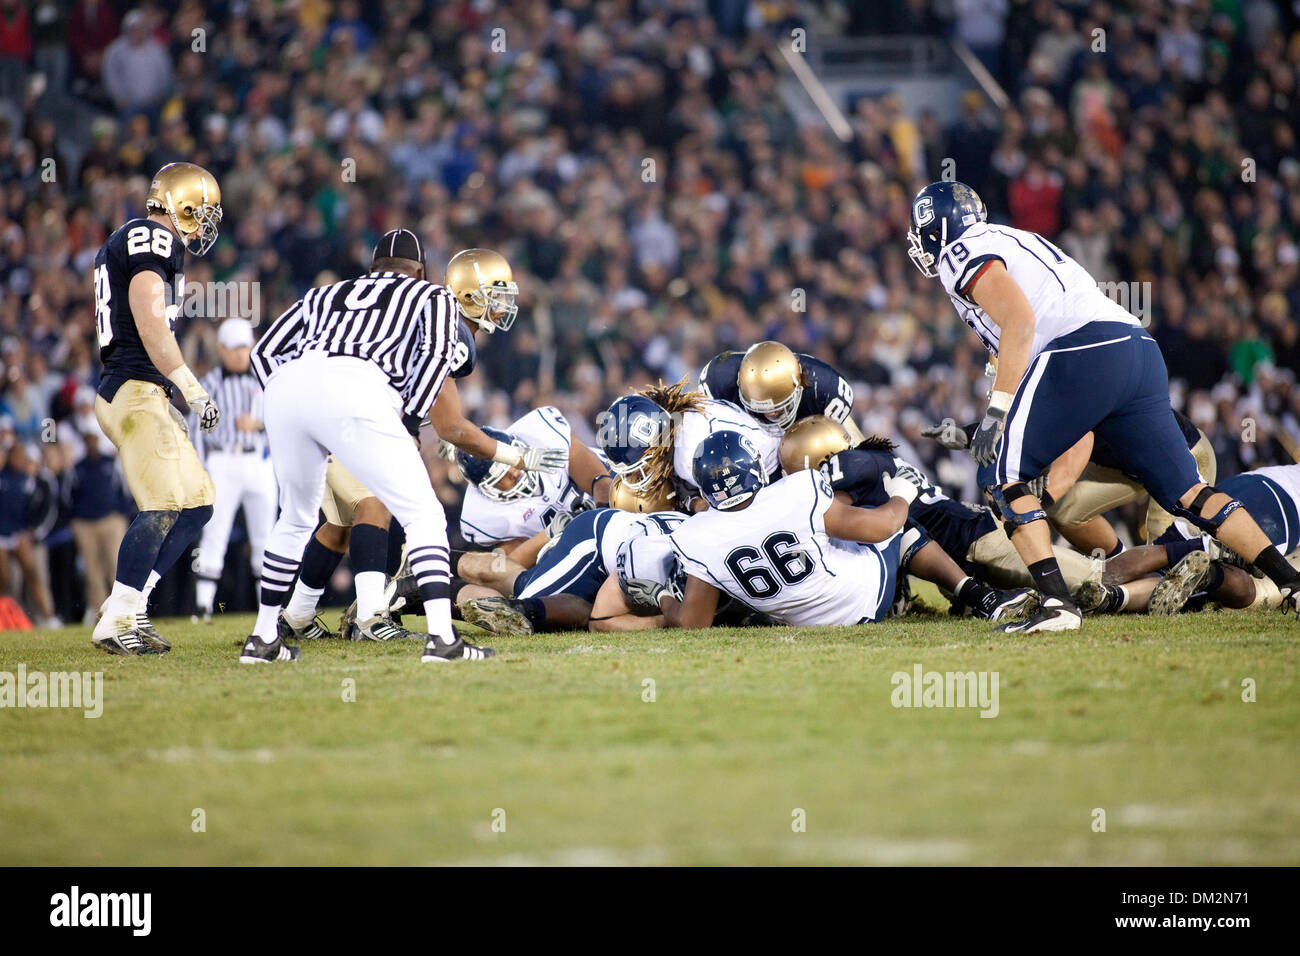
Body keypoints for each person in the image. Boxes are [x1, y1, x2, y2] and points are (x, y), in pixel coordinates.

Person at [906, 180, 1300, 632]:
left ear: (936, 227)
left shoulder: (961, 253)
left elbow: (1019, 323)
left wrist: (995, 416)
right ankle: (1292, 582)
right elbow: (1038, 388)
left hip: (1083, 351)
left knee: (1003, 477)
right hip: (1133, 346)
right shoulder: (1008, 239)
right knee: (1190, 495)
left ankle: (1057, 606)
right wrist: (981, 428)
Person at [245, 230, 525, 662]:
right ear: (420, 271)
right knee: (426, 516)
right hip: (357, 391)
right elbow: (433, 356)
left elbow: (264, 352)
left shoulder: (327, 293)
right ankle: (442, 641)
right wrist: (410, 421)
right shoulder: (431, 297)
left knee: (296, 520)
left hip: (287, 387)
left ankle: (263, 639)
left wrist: (293, 404)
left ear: (373, 267)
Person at [90, 161, 222, 655]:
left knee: (198, 504)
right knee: (164, 503)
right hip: (133, 390)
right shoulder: (151, 237)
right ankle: (117, 618)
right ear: (179, 205)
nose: (205, 223)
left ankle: (131, 604)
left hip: (144, 392)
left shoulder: (141, 240)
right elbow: (150, 322)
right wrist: (191, 386)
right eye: (201, 212)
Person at [637, 430, 923, 629]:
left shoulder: (695, 537)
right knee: (893, 516)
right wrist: (902, 495)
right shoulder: (797, 490)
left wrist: (661, 596)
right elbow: (883, 527)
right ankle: (963, 590)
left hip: (808, 623)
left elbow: (692, 623)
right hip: (866, 599)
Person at [191, 318, 276, 621]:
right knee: (215, 532)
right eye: (236, 348)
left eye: (245, 347)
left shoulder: (265, 378)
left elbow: (282, 417)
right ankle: (203, 606)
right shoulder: (211, 382)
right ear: (222, 349)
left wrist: (259, 423)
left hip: (259, 458)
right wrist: (201, 469)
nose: (242, 354)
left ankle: (269, 607)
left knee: (265, 534)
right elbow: (196, 430)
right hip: (223, 459)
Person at [699, 340, 863, 441]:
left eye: (778, 409)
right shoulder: (719, 379)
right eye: (761, 410)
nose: (769, 416)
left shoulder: (824, 388)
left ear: (798, 387)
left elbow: (847, 443)